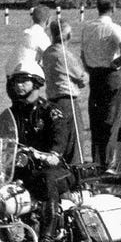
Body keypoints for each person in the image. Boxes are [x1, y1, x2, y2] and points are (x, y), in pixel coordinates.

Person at [6, 59, 74, 242]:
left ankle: (47, 241)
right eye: (16, 81)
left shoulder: (51, 112)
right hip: (23, 170)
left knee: (45, 180)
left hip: (55, 169)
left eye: (24, 81)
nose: (19, 85)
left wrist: (52, 154)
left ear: (36, 83)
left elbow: (59, 143)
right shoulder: (11, 114)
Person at [80, 0, 121, 177]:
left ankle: (96, 160)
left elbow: (82, 54)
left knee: (96, 118)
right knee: (111, 118)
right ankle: (107, 162)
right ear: (113, 8)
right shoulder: (113, 28)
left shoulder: (88, 27)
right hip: (111, 75)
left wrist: (89, 67)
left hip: (95, 74)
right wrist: (117, 63)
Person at [42, 19, 88, 165]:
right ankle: (77, 175)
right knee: (75, 143)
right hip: (67, 100)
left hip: (52, 100)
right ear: (67, 35)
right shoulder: (64, 55)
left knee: (59, 140)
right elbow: (82, 78)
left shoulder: (47, 53)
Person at [4, 4, 53, 82]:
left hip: (10, 74)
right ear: (48, 20)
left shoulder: (25, 33)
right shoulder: (41, 36)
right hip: (24, 76)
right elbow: (52, 57)